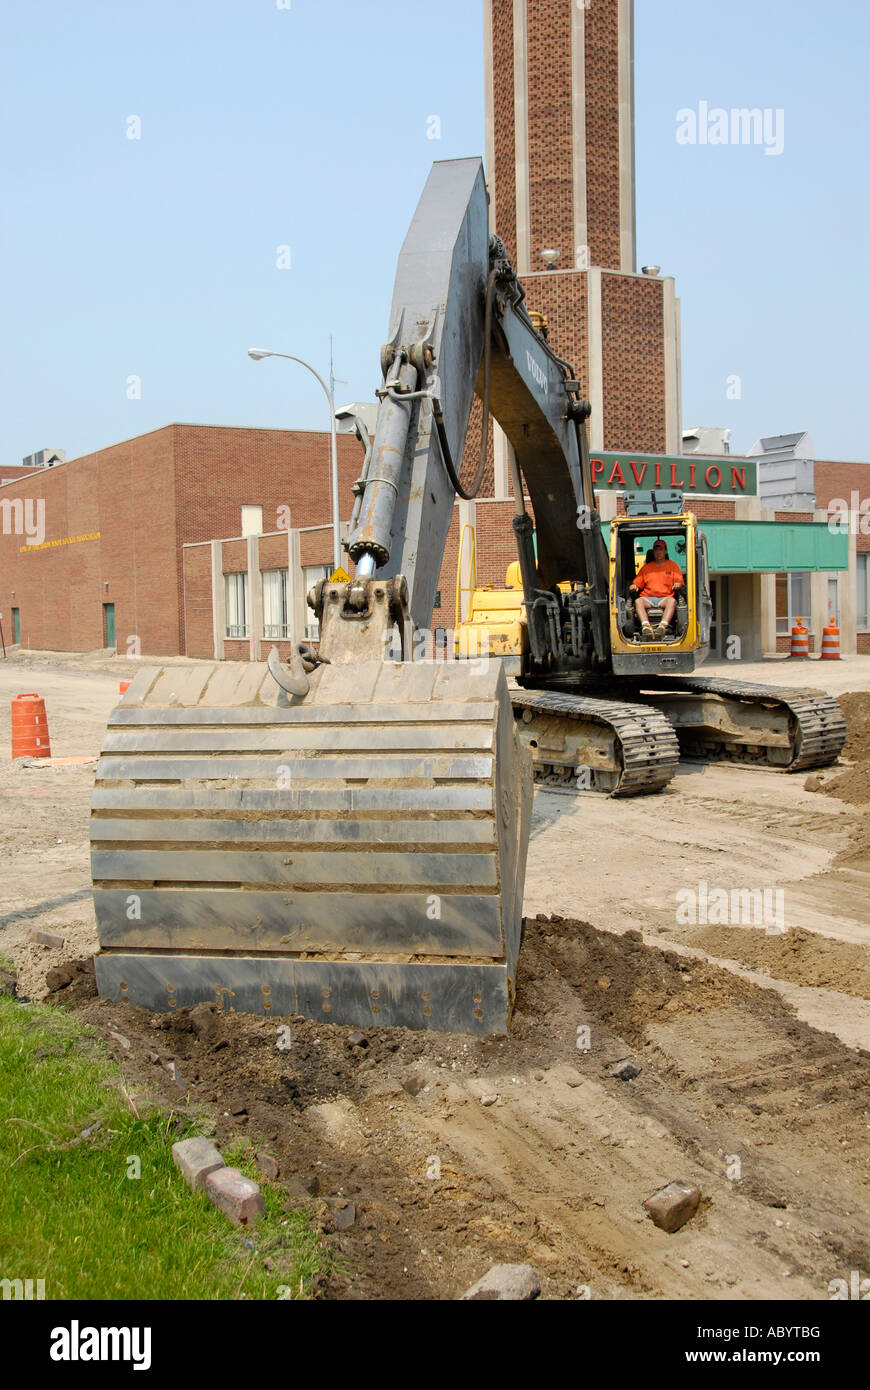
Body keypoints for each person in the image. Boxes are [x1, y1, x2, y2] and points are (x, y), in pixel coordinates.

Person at [630, 538, 684, 640]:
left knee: (672, 601)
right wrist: (634, 586)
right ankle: (646, 627)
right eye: (656, 550)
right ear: (653, 552)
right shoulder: (646, 568)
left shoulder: (673, 566)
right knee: (638, 602)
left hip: (665, 598)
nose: (658, 552)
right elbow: (637, 583)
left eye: (661, 549)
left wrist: (678, 584)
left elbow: (680, 582)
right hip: (648, 598)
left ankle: (662, 627)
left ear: (665, 551)